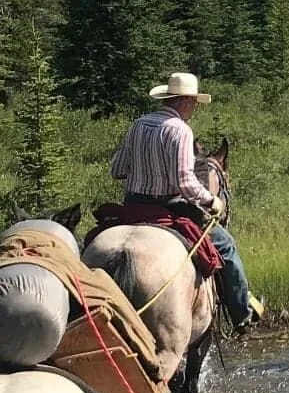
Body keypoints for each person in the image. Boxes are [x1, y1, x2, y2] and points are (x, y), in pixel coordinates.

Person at [109, 71, 258, 329]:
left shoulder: (139, 124)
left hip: (132, 207)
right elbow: (185, 183)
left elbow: (117, 169)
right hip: (169, 208)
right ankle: (241, 314)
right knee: (226, 247)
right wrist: (213, 201)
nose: (194, 109)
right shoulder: (180, 130)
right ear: (186, 101)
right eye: (194, 103)